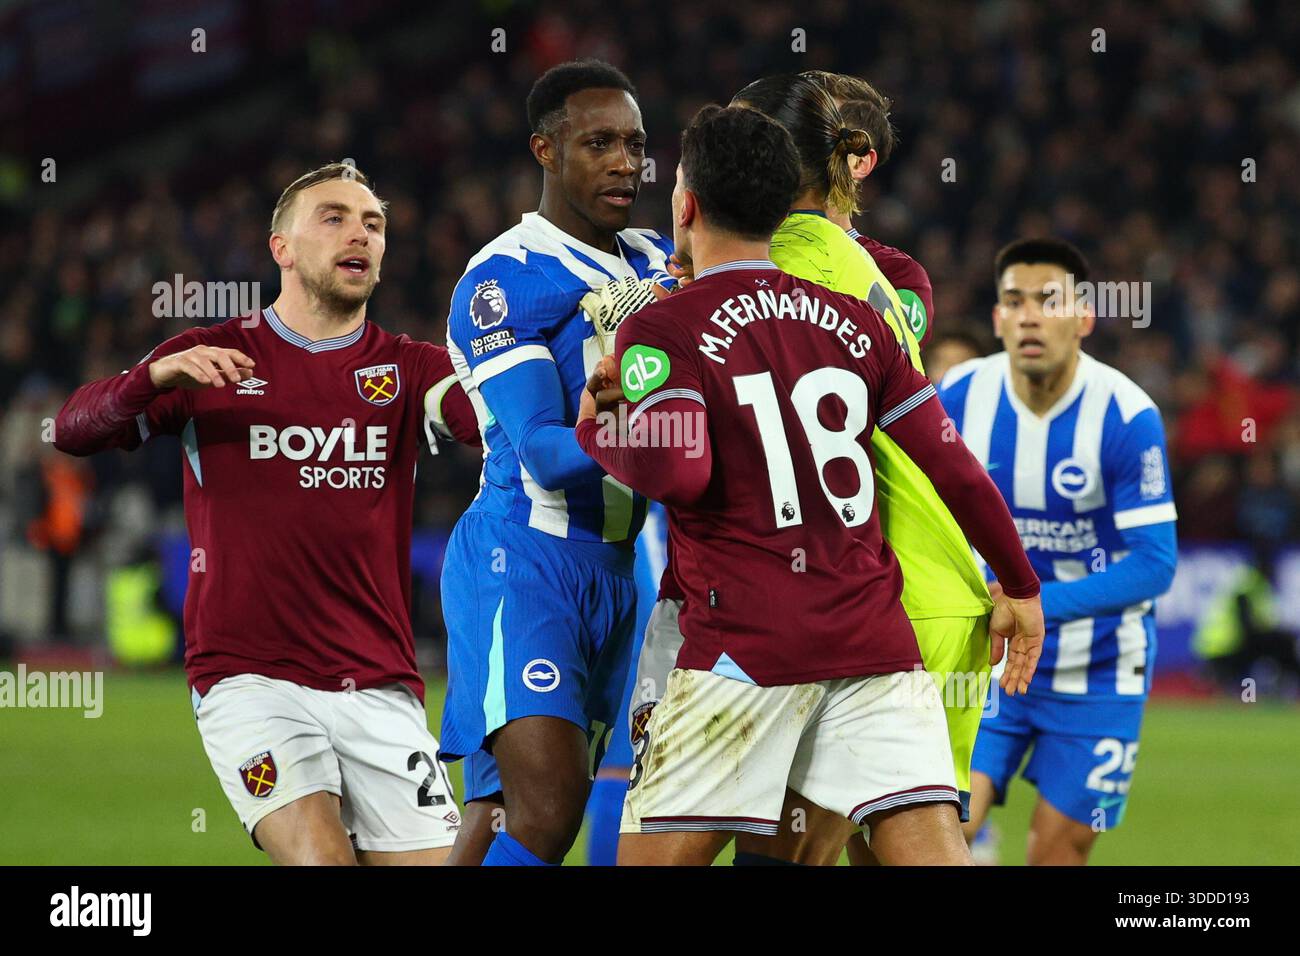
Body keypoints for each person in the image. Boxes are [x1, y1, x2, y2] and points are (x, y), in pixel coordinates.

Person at [576, 103, 1044, 866]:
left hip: (743, 647)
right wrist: (1020, 585)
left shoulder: (665, 325)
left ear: (686, 205)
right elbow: (951, 462)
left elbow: (681, 468)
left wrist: (596, 425)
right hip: (874, 643)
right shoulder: (854, 319)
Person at [53, 162, 480, 864]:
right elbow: (74, 429)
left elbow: (489, 422)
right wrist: (150, 377)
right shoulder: (210, 358)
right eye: (334, 217)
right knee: (322, 858)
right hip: (250, 678)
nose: (361, 234)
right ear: (281, 247)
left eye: (374, 223)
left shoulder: (411, 368)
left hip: (379, 684)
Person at [438, 59, 673, 866]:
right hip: (522, 559)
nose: (624, 163)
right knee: (548, 806)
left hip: (615, 571)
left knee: (507, 810)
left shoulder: (658, 261)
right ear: (546, 149)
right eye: (598, 142)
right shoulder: (503, 280)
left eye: (636, 145)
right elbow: (544, 450)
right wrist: (662, 433)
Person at [939, 237, 1179, 865]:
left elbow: (1155, 563)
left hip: (1098, 669)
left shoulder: (1127, 415)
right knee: (947, 828)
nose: (1029, 316)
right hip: (986, 658)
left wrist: (1031, 601)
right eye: (1014, 301)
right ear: (997, 319)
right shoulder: (961, 396)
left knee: (1055, 852)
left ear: (1084, 316)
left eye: (1049, 300)